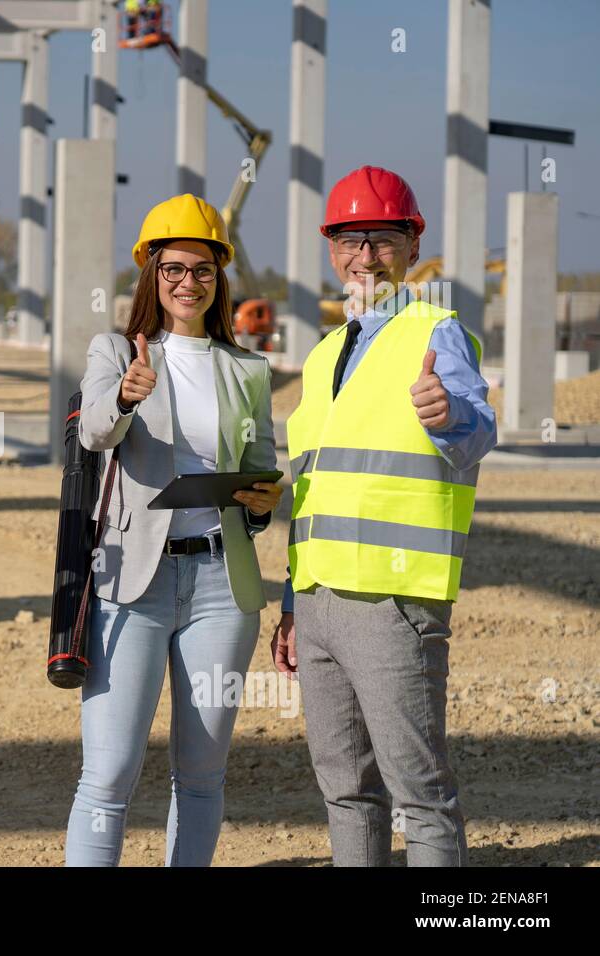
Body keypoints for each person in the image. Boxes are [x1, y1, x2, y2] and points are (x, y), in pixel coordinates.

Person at [272, 165, 497, 866]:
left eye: (382, 240)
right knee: (344, 789)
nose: (364, 256)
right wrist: (289, 601)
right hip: (318, 604)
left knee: (419, 794)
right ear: (332, 249)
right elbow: (311, 490)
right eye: (350, 240)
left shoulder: (438, 332)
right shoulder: (321, 356)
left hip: (395, 603)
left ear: (411, 246)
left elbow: (477, 431)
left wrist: (450, 413)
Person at [65, 194, 282, 866]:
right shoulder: (114, 349)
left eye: (204, 269)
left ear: (220, 278)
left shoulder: (246, 369)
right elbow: (94, 430)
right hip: (133, 581)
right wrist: (126, 394)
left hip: (222, 583)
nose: (189, 282)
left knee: (202, 774)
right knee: (108, 774)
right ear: (151, 275)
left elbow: (260, 471)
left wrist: (263, 500)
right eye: (174, 269)